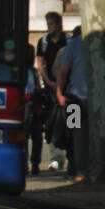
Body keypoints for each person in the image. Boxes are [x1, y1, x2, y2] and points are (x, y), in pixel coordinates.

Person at [55, 25, 89, 182]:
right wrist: (59, 93)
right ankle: (77, 168)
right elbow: (62, 71)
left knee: (73, 134)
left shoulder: (72, 44)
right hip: (74, 98)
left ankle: (76, 168)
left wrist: (59, 93)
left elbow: (61, 72)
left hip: (73, 97)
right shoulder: (73, 44)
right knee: (74, 133)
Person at [35, 11, 67, 170]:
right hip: (51, 90)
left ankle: (74, 157)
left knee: (73, 122)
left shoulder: (67, 41)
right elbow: (40, 65)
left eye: (51, 24)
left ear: (59, 24)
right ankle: (56, 157)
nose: (49, 27)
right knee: (52, 122)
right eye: (47, 24)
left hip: (69, 91)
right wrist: (48, 82)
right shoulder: (44, 42)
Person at [23, 42, 44, 175]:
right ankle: (24, 164)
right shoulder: (19, 72)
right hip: (24, 105)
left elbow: (38, 87)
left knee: (37, 137)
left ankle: (35, 163)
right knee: (23, 137)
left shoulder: (34, 72)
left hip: (34, 105)